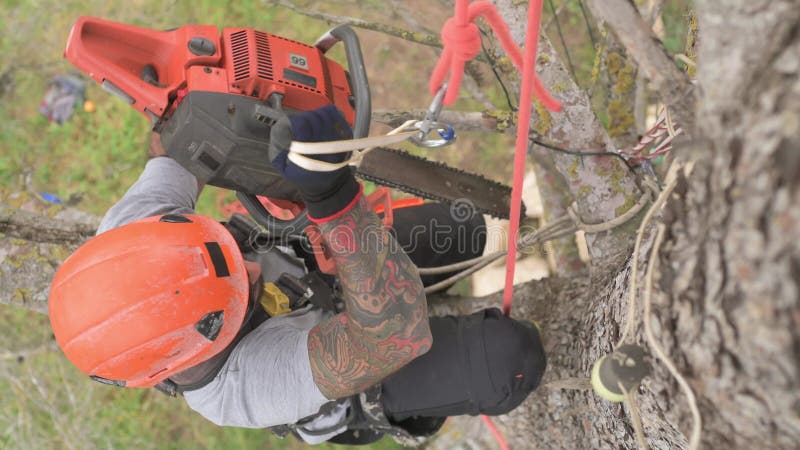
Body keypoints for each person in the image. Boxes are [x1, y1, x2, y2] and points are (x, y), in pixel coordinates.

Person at [48, 106, 546, 446]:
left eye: (227, 254)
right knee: (506, 360)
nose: (248, 263)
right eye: (236, 286)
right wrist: (333, 199)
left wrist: (197, 103)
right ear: (200, 340)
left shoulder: (129, 243)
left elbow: (174, 147)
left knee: (464, 227)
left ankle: (523, 235)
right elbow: (393, 337)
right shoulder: (240, 389)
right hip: (358, 379)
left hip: (309, 261)